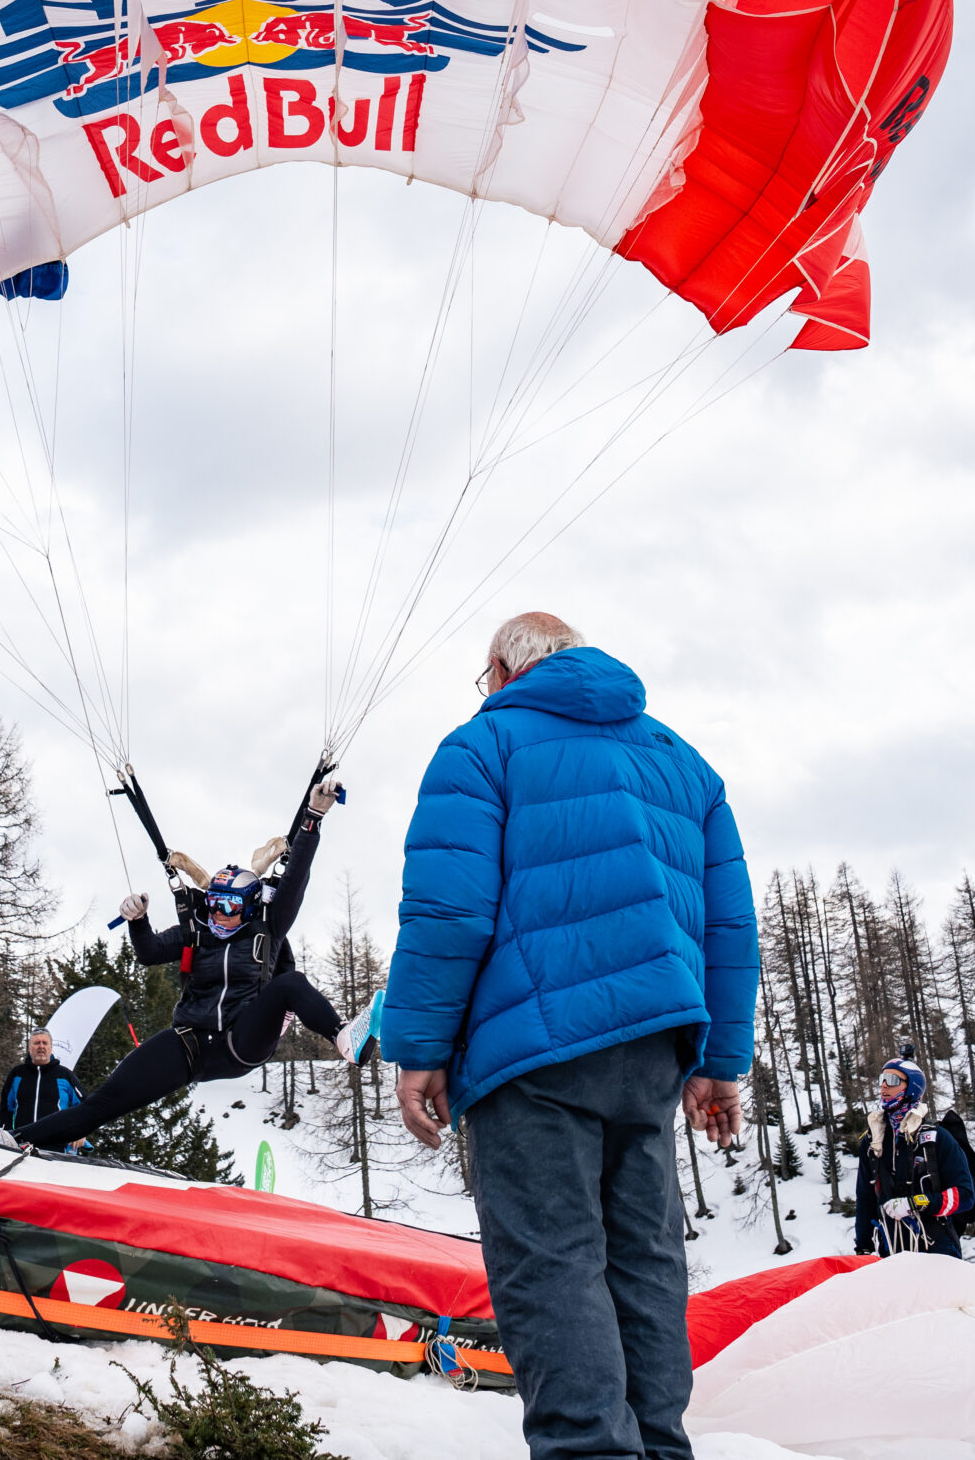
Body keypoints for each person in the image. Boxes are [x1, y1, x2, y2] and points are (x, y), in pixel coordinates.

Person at [385, 612, 754, 1460]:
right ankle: (660, 1447)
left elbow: (451, 909)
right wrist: (718, 1063)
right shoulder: (683, 762)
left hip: (533, 1053)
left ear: (500, 670)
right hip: (653, 1051)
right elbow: (731, 923)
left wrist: (422, 1046)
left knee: (552, 1263)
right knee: (645, 1262)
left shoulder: (484, 746)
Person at [0, 777, 377, 1151]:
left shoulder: (266, 928)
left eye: (230, 905)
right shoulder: (199, 931)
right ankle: (11, 1139)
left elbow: (297, 876)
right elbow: (149, 953)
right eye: (213, 903)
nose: (219, 913)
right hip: (190, 1043)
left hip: (241, 1038)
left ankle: (344, 1038)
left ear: (249, 907)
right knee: (107, 1099)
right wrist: (138, 921)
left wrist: (312, 818)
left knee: (290, 984)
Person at [852, 1053, 975, 1257]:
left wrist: (916, 1202)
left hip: (937, 1248)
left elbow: (965, 1195)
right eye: (881, 1080)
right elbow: (865, 1198)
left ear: (911, 1087)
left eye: (891, 1081)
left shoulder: (936, 1138)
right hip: (891, 1250)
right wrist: (863, 1248)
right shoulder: (872, 1141)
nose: (883, 1087)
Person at [0, 1029, 83, 1139]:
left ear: (51, 1048)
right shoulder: (17, 1074)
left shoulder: (65, 1075)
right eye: (37, 1043)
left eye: (45, 1043)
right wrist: (7, 1134)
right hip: (21, 1142)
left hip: (55, 1143)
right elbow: (6, 1107)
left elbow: (82, 1105)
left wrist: (80, 1133)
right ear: (30, 1048)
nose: (41, 1046)